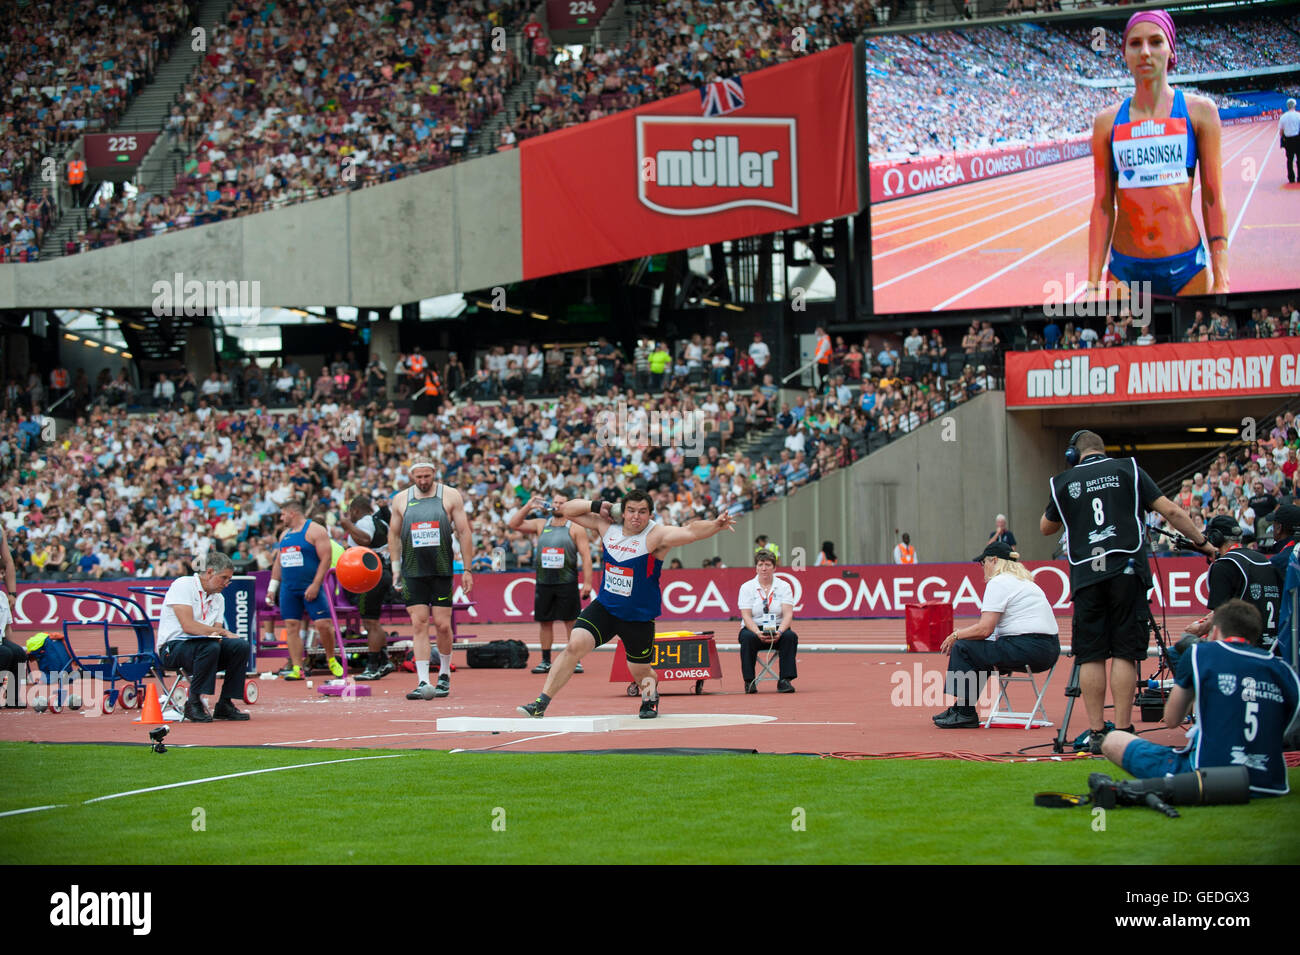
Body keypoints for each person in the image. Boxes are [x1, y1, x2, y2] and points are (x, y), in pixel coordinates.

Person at [1040, 430, 1214, 752]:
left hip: (1086, 574)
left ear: (1072, 455)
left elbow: (1046, 526)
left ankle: (1095, 733)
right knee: (1123, 650)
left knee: (1091, 654)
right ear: (1103, 450)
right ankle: (1122, 731)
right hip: (1127, 569)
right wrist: (1203, 544)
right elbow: (1171, 512)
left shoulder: (1062, 482)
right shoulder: (1129, 469)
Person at [518, 490, 736, 719]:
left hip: (638, 617)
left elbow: (690, 532)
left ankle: (650, 697)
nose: (636, 517)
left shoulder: (656, 536)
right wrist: (598, 504)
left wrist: (715, 524)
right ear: (621, 512)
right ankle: (541, 703)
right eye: (631, 511)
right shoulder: (607, 526)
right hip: (606, 608)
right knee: (574, 645)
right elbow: (567, 510)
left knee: (641, 671)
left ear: (650, 514)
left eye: (642, 512)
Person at [1088, 10, 1228, 298]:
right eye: (1135, 44)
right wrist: (1091, 283)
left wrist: (1222, 277)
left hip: (1187, 267)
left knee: (1192, 344)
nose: (1145, 52)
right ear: (1124, 53)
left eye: (1155, 41)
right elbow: (1103, 205)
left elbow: (1212, 197)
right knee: (1125, 343)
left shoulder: (1200, 112)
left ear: (1171, 50)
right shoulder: (1106, 122)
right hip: (1125, 269)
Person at [1101, 600, 1300, 796]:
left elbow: (1172, 720)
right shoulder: (1283, 670)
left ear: (1215, 631)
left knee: (1113, 740)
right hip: (1269, 784)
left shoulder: (1199, 653)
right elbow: (1287, 732)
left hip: (1205, 778)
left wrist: (1194, 685)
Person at [933, 543, 1060, 728]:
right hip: (1048, 650)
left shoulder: (999, 582)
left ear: (994, 560)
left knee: (963, 647)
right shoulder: (1025, 583)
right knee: (980, 652)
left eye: (983, 562)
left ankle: (965, 712)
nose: (982, 567)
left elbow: (985, 629)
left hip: (1027, 647)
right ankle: (962, 709)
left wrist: (956, 635)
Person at [389, 462, 474, 700]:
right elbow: (394, 535)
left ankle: (444, 674)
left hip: (441, 569)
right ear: (412, 476)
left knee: (443, 625)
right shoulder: (401, 499)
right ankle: (423, 680)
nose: (423, 481)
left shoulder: (449, 495)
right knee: (419, 624)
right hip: (413, 571)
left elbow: (464, 532)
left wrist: (467, 569)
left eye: (427, 476)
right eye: (419, 477)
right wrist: (395, 568)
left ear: (434, 474)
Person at [157, 551, 250, 722]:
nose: (227, 583)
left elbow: (217, 632)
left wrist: (221, 634)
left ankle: (225, 704)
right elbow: (188, 625)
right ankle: (193, 704)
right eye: (224, 578)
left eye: (229, 579)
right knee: (209, 646)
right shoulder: (183, 585)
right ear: (209, 572)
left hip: (204, 648)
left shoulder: (219, 599)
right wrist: (220, 633)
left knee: (240, 646)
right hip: (173, 648)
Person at [507, 494, 594, 675]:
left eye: (562, 503)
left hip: (567, 582)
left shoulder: (576, 527)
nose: (557, 505)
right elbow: (513, 525)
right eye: (555, 502)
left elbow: (586, 556)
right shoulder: (541, 524)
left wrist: (587, 582)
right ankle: (545, 661)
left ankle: (574, 660)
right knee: (545, 622)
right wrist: (528, 506)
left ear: (568, 506)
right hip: (544, 582)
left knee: (571, 622)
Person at [266, 500, 342, 681]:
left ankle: (331, 658)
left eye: (283, 514)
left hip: (311, 586)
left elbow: (326, 559)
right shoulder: (284, 535)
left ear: (292, 513)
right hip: (289, 589)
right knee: (291, 627)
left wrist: (316, 584)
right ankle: (297, 666)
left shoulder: (316, 530)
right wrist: (272, 587)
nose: (281, 518)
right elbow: (279, 562)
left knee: (324, 624)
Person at [1182, 515, 1282, 650]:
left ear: (1215, 538)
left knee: (1178, 651)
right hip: (1274, 644)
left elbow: (1220, 616)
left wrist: (1198, 629)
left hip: (1241, 645)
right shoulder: (1263, 559)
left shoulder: (1223, 565)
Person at [338, 494, 397, 682]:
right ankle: (384, 660)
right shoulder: (381, 522)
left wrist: (348, 526)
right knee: (373, 621)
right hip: (382, 572)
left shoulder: (363, 522)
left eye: (350, 513)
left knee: (370, 622)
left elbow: (364, 540)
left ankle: (372, 666)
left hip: (370, 576)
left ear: (355, 510)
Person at [737, 549, 798, 693]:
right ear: (756, 567)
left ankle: (785, 680)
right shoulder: (747, 587)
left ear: (774, 567)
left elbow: (788, 614)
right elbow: (746, 616)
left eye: (768, 565)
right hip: (754, 628)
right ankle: (749, 681)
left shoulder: (784, 586)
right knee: (746, 638)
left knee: (790, 637)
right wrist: (758, 632)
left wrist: (781, 631)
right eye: (760, 564)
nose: (764, 568)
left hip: (777, 627)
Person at [1280, 98, 1300, 185]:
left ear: (1287, 106)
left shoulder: (1283, 117)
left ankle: (1291, 178)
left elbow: (1281, 131)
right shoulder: (1298, 115)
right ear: (1295, 105)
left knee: (1289, 160)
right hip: (1298, 139)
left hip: (1288, 140)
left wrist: (1283, 138)